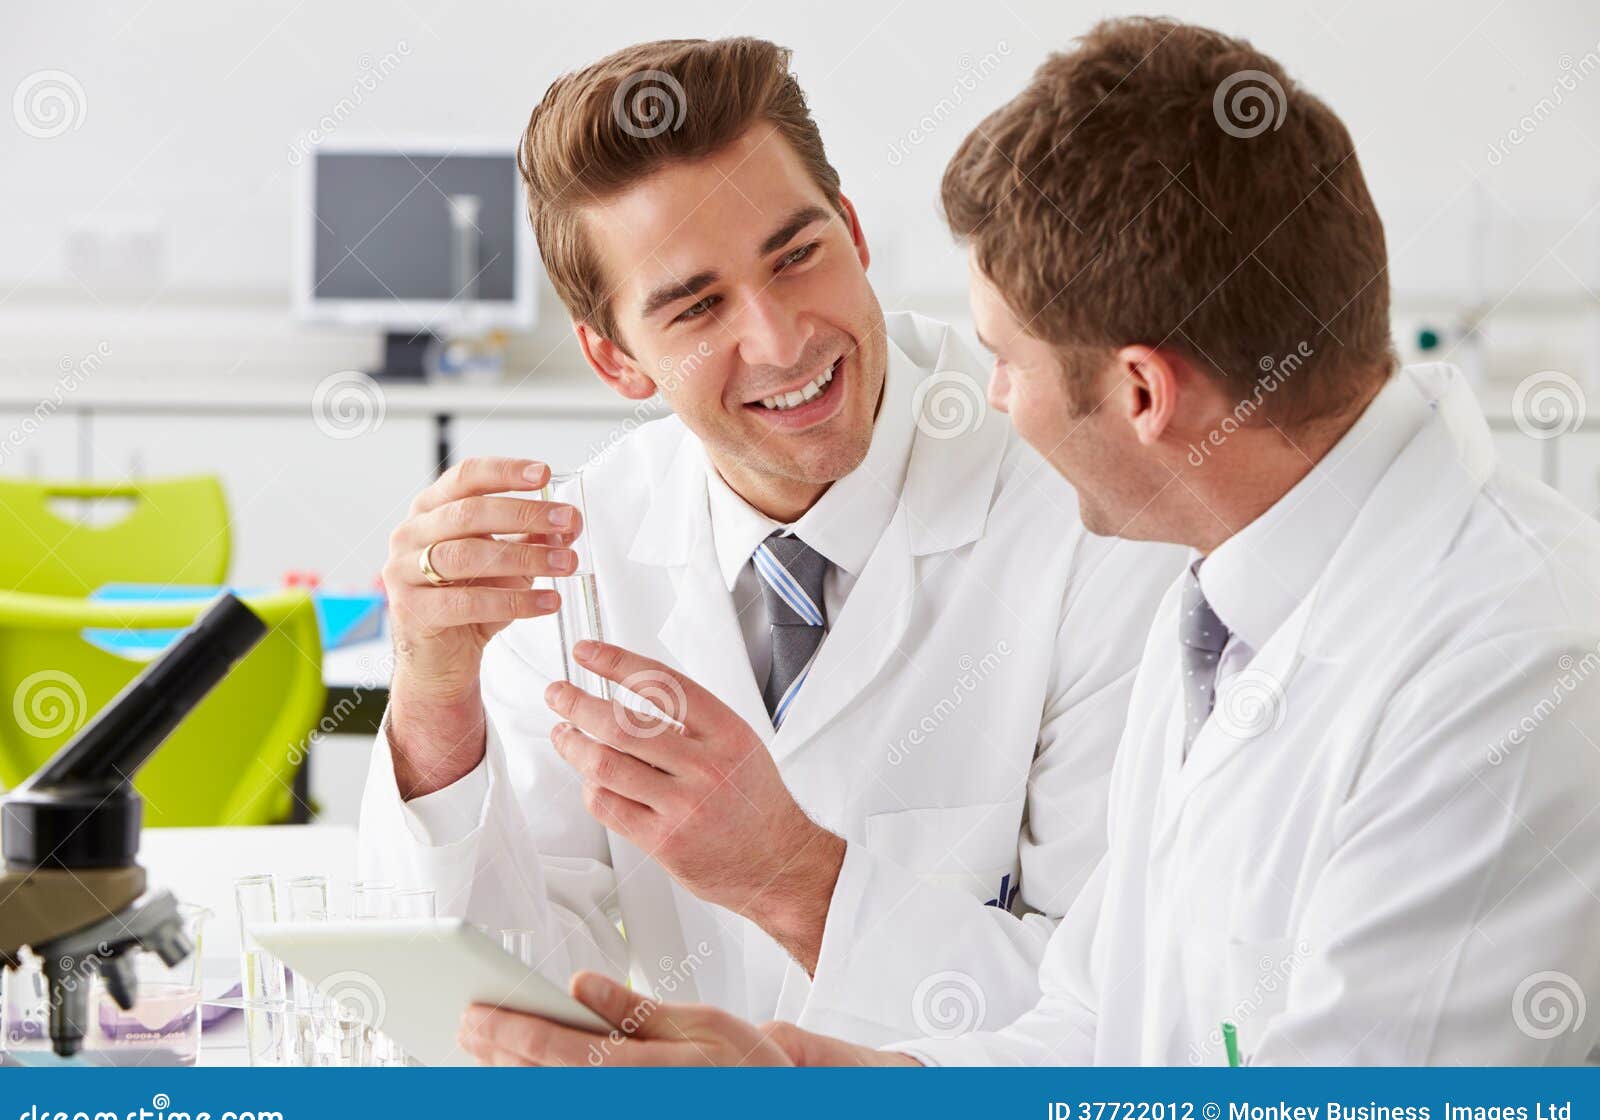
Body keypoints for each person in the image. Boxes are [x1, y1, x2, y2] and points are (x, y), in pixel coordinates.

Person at [457, 18, 1600, 1067]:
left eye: (1003, 358)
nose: (980, 396)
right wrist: (799, 1088)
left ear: (1144, 392)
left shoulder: (1501, 669)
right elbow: (1091, 1028)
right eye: (696, 305)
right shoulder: (1230, 600)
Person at [360, 36, 1182, 1045]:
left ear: (853, 230)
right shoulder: (579, 557)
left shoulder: (1089, 508)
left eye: (798, 255)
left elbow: (1128, 1015)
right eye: (698, 305)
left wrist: (794, 876)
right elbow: (498, 1021)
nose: (784, 339)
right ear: (616, 359)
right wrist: (435, 701)